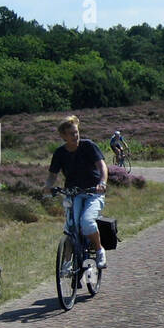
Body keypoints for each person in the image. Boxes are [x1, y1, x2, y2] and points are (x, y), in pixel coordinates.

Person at [44, 115, 108, 269]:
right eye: (71, 133)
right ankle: (67, 264)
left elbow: (102, 166)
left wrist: (102, 182)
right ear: (63, 136)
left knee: (87, 222)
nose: (75, 136)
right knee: (71, 227)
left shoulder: (88, 146)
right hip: (73, 193)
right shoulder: (60, 153)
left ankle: (99, 250)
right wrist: (47, 187)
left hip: (94, 192)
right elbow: (53, 175)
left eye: (76, 132)